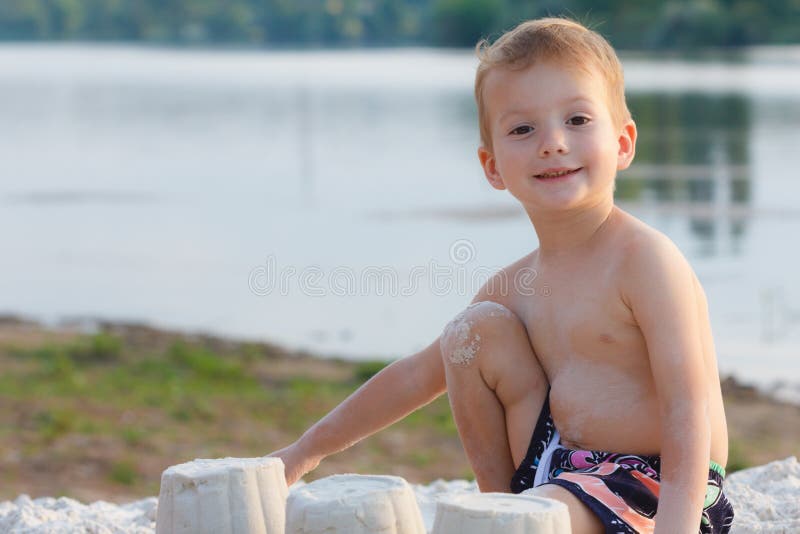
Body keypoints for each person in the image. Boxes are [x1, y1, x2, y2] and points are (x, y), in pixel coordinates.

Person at [270, 17, 734, 533]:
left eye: (577, 120)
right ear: (493, 167)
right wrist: (303, 452)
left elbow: (688, 406)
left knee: (549, 511)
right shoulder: (517, 285)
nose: (552, 143)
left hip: (659, 484)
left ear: (623, 143)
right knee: (469, 334)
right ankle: (502, 507)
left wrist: (679, 527)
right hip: (561, 471)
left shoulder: (646, 261)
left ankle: (519, 520)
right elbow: (416, 376)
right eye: (522, 129)